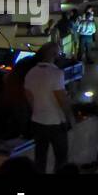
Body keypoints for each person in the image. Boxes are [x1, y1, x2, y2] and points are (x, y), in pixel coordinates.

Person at [24, 42, 73, 173]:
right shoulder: (56, 74)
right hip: (55, 123)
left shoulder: (31, 73)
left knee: (40, 158)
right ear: (54, 55)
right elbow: (62, 100)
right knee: (61, 159)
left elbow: (30, 99)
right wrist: (69, 118)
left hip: (37, 121)